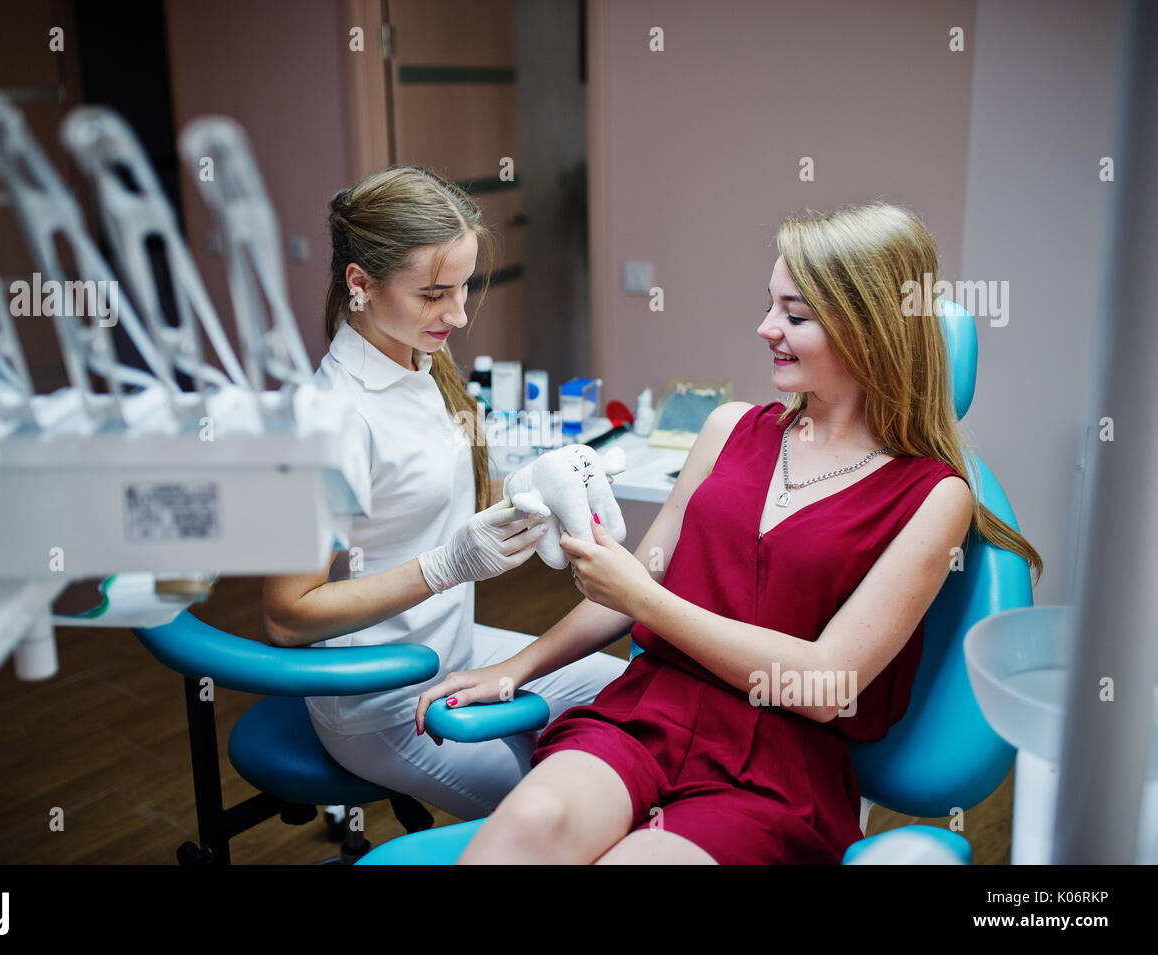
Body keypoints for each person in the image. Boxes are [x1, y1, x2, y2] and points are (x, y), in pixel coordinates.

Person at [415, 201, 1044, 863]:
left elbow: (827, 685)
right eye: (771, 304)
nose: (766, 327)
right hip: (647, 713)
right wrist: (515, 668)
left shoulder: (933, 496)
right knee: (527, 826)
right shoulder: (728, 431)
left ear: (869, 330)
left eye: (795, 315)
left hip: (774, 765)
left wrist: (641, 599)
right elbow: (635, 579)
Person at [262, 166, 625, 820]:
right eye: (435, 293)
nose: (457, 314)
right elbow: (287, 615)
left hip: (456, 649)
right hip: (381, 697)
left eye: (463, 288)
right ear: (360, 284)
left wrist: (528, 493)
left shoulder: (421, 357)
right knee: (567, 810)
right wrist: (444, 567)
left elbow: (428, 503)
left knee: (641, 695)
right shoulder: (331, 418)